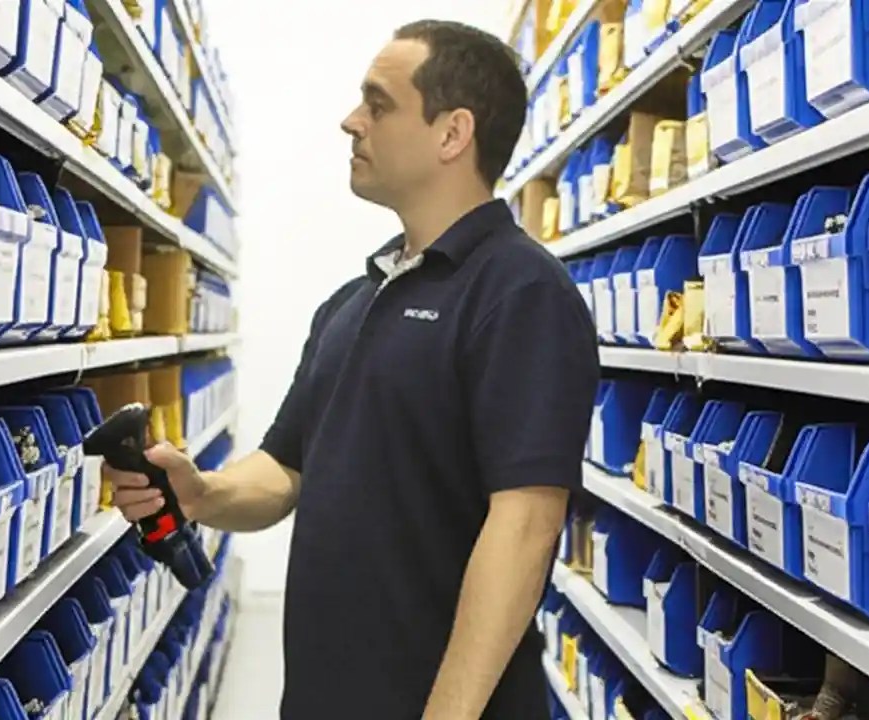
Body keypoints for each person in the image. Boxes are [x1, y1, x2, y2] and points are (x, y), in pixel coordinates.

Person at [107, 18, 600, 720]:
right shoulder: (355, 300)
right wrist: (204, 491)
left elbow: (525, 525)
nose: (351, 121)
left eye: (378, 103)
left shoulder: (521, 294)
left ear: (452, 133)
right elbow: (286, 469)